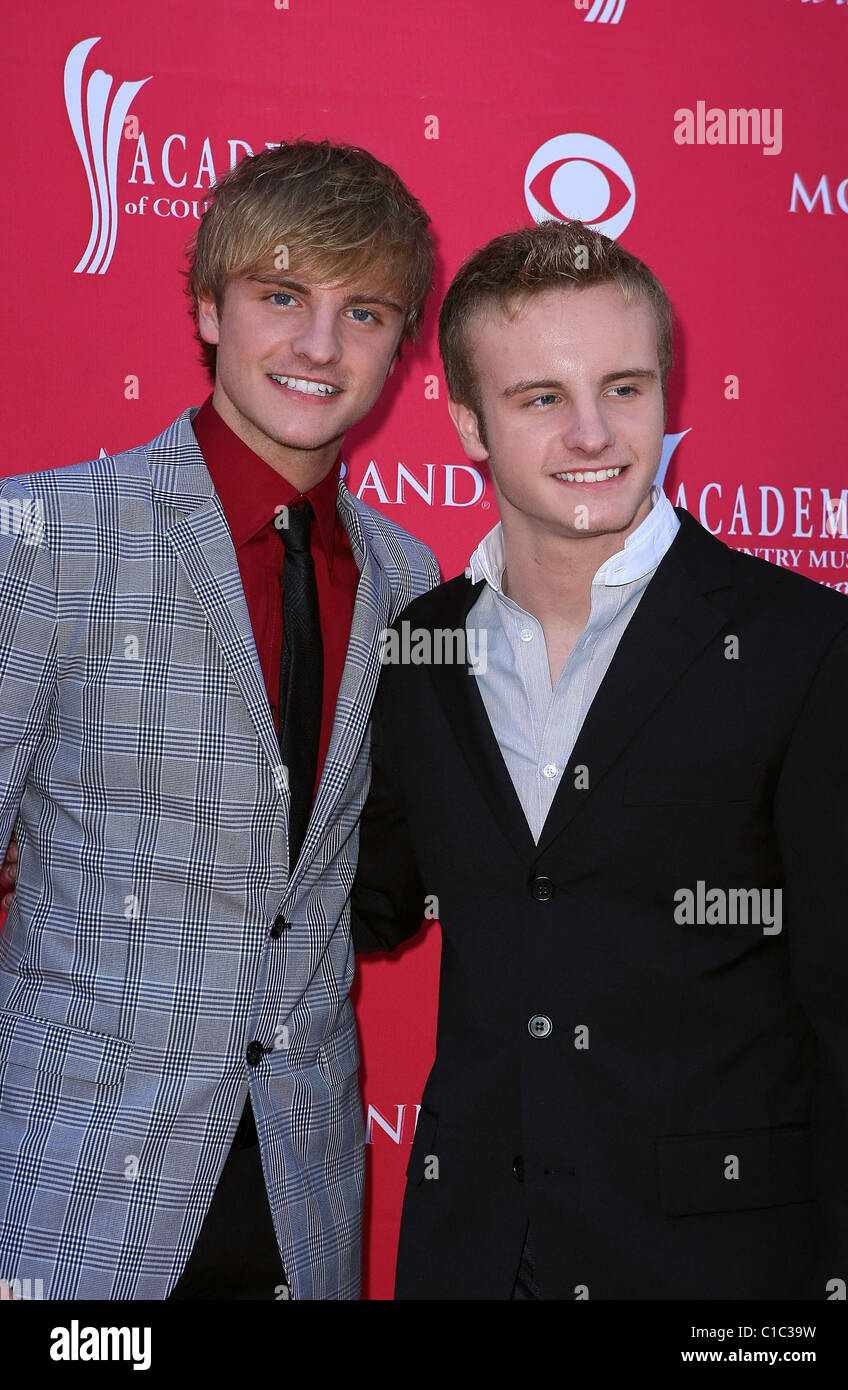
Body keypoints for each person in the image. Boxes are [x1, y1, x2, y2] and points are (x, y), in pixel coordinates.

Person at [351, 218, 848, 1300]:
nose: (592, 432)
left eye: (623, 389)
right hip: (472, 1255)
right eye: (541, 398)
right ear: (467, 425)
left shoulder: (804, 649)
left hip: (714, 1272)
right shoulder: (416, 649)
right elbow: (367, 896)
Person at [0, 139, 438, 1300]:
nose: (317, 345)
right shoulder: (48, 537)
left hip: (302, 1197)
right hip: (72, 1186)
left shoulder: (410, 575)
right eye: (281, 297)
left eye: (364, 312)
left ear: (402, 348)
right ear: (206, 305)